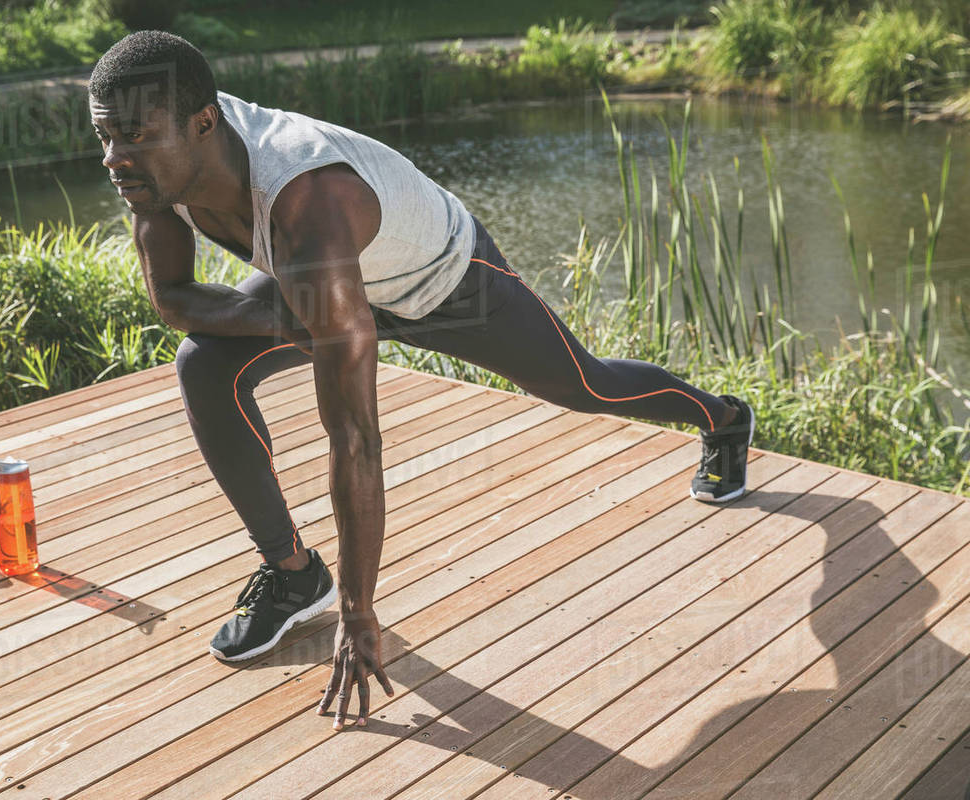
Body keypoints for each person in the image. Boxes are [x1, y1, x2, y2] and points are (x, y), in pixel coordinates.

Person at [88, 31, 755, 730]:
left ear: (204, 123)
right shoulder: (154, 171)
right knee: (204, 365)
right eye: (106, 137)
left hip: (447, 282)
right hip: (328, 287)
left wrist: (360, 611)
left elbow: (355, 437)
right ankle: (292, 576)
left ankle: (723, 418)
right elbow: (173, 299)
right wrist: (312, 321)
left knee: (584, 385)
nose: (115, 158)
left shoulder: (306, 198)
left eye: (133, 136)